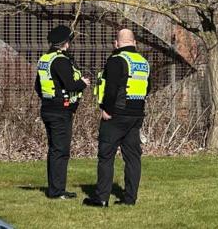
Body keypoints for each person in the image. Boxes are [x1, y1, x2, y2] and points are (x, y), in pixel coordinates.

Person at [83, 28, 150, 208]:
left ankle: (101, 198)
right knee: (133, 157)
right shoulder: (143, 62)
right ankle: (130, 198)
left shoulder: (116, 60)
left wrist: (107, 109)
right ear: (134, 43)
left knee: (106, 155)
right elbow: (148, 88)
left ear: (116, 43)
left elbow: (111, 89)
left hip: (117, 114)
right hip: (136, 114)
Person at [34, 25, 89, 199]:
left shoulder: (45, 59)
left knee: (54, 149)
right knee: (61, 151)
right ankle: (57, 191)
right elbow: (71, 85)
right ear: (65, 43)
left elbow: (38, 87)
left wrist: (49, 99)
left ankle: (55, 188)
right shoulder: (61, 60)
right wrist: (83, 83)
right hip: (60, 111)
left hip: (47, 108)